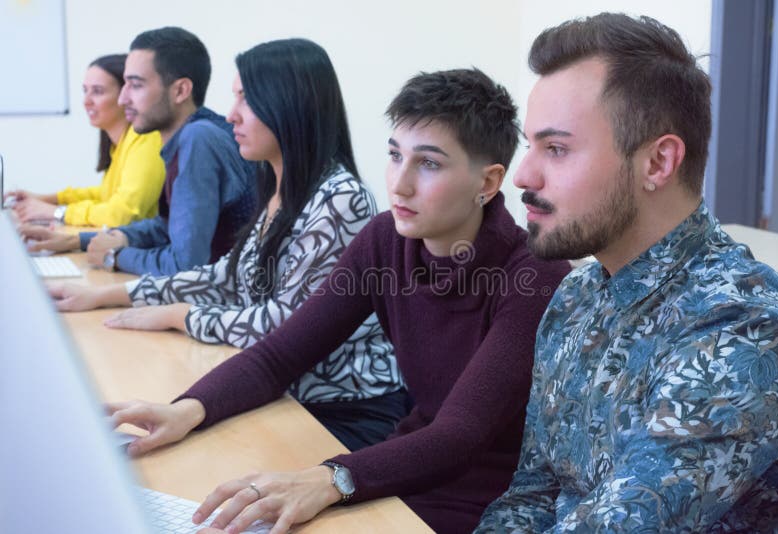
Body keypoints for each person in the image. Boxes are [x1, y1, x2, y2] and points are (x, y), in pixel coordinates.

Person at [105, 69, 571, 534]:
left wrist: (331, 478)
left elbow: (460, 434)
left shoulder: (534, 274)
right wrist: (187, 410)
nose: (400, 183)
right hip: (401, 467)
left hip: (488, 498)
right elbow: (280, 355)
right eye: (395, 156)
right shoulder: (386, 238)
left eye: (429, 164)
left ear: (488, 183)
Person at [476, 13, 778, 533]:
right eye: (529, 145)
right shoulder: (575, 297)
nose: (523, 175)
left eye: (556, 149)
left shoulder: (747, 325)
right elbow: (533, 494)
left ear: (657, 163)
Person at [48, 38, 406, 452]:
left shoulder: (340, 198)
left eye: (246, 99)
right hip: (286, 397)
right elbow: (227, 276)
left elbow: (284, 326)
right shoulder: (278, 185)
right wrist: (108, 295)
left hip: (343, 410)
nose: (231, 114)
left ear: (289, 104)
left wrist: (181, 315)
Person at [22, 27, 257, 276]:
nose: (123, 99)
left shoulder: (198, 139)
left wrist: (115, 255)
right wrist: (81, 241)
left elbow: (185, 266)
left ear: (180, 91)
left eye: (135, 85)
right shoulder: (195, 135)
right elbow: (169, 226)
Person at [8, 54, 165, 226]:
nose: (86, 101)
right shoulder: (120, 144)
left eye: (98, 91)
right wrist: (49, 199)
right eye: (85, 90)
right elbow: (107, 195)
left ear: (125, 95)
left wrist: (56, 212)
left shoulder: (146, 138)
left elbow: (123, 213)